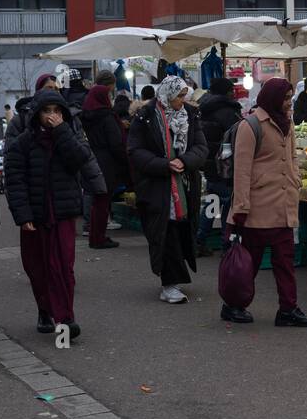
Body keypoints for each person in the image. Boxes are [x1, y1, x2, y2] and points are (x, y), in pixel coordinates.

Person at [5, 89, 105, 338]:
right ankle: (44, 310)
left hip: (62, 212)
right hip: (35, 216)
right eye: (47, 111)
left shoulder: (68, 136)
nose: (52, 116)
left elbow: (80, 159)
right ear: (37, 114)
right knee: (37, 268)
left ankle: (65, 317)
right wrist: (23, 215)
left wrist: (62, 131)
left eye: (57, 111)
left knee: (62, 266)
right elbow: (15, 181)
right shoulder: (22, 144)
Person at [226, 78, 307, 327]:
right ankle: (234, 304)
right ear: (273, 98)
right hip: (257, 208)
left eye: (290, 98)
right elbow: (241, 171)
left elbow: (292, 158)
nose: (289, 103)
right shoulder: (250, 125)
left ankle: (288, 309)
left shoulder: (287, 123)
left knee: (285, 262)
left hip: (284, 205)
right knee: (249, 263)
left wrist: (296, 178)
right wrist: (241, 208)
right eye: (286, 99)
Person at [127, 76, 208, 304]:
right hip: (157, 186)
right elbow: (135, 151)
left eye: (184, 96)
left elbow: (201, 147)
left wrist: (185, 160)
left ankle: (174, 278)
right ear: (168, 94)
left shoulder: (191, 116)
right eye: (179, 96)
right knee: (165, 231)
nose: (182, 101)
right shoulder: (146, 117)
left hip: (184, 186)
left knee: (181, 229)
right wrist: (164, 165)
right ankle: (169, 284)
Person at [197, 77, 242, 255]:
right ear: (226, 92)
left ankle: (199, 240)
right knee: (226, 205)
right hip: (225, 165)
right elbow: (237, 138)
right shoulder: (228, 112)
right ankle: (226, 245)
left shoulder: (204, 109)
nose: (234, 92)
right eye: (231, 89)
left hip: (209, 163)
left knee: (212, 203)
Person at [82, 84, 129, 250]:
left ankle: (95, 236)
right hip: (107, 162)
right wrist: (125, 160)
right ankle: (98, 238)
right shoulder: (107, 116)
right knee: (103, 202)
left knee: (97, 201)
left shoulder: (87, 115)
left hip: (93, 159)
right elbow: (116, 143)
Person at [5, 73, 60, 148]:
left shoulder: (68, 117)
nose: (53, 92)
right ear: (38, 90)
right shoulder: (20, 120)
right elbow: (10, 152)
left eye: (56, 89)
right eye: (49, 88)